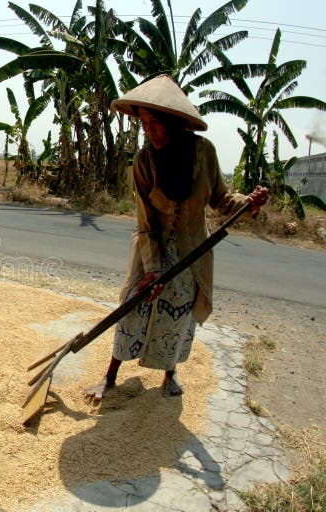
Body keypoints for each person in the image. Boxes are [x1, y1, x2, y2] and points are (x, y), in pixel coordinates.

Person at [84, 75, 269, 401]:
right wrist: (152, 270)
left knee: (179, 313)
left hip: (190, 252)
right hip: (150, 245)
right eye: (143, 123)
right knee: (133, 306)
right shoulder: (144, 163)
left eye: (154, 123)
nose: (148, 130)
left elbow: (222, 200)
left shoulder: (203, 154)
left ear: (172, 122)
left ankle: (170, 372)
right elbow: (146, 223)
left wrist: (248, 204)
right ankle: (110, 375)